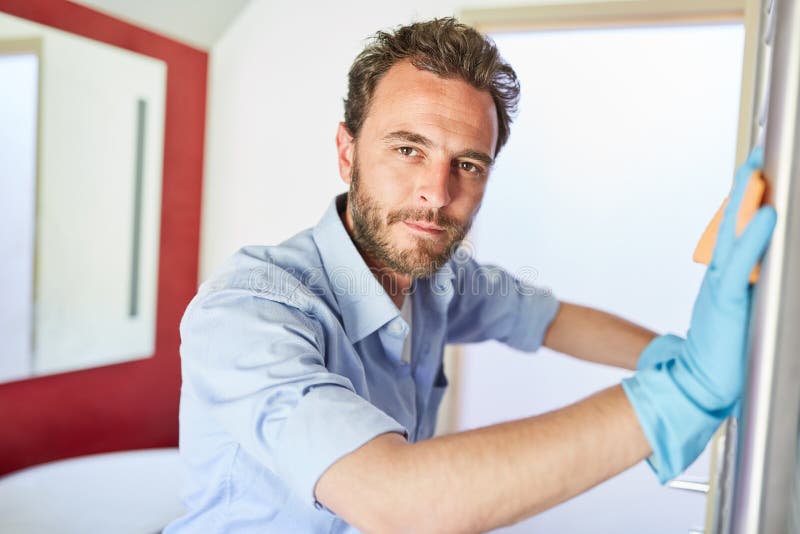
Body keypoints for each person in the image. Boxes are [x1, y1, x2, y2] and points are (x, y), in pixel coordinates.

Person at [165, 18, 777, 533]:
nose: (437, 193)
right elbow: (389, 496)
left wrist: (677, 355)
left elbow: (551, 320)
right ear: (348, 152)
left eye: (468, 164)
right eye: (408, 149)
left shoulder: (437, 278)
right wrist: (684, 392)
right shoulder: (249, 311)